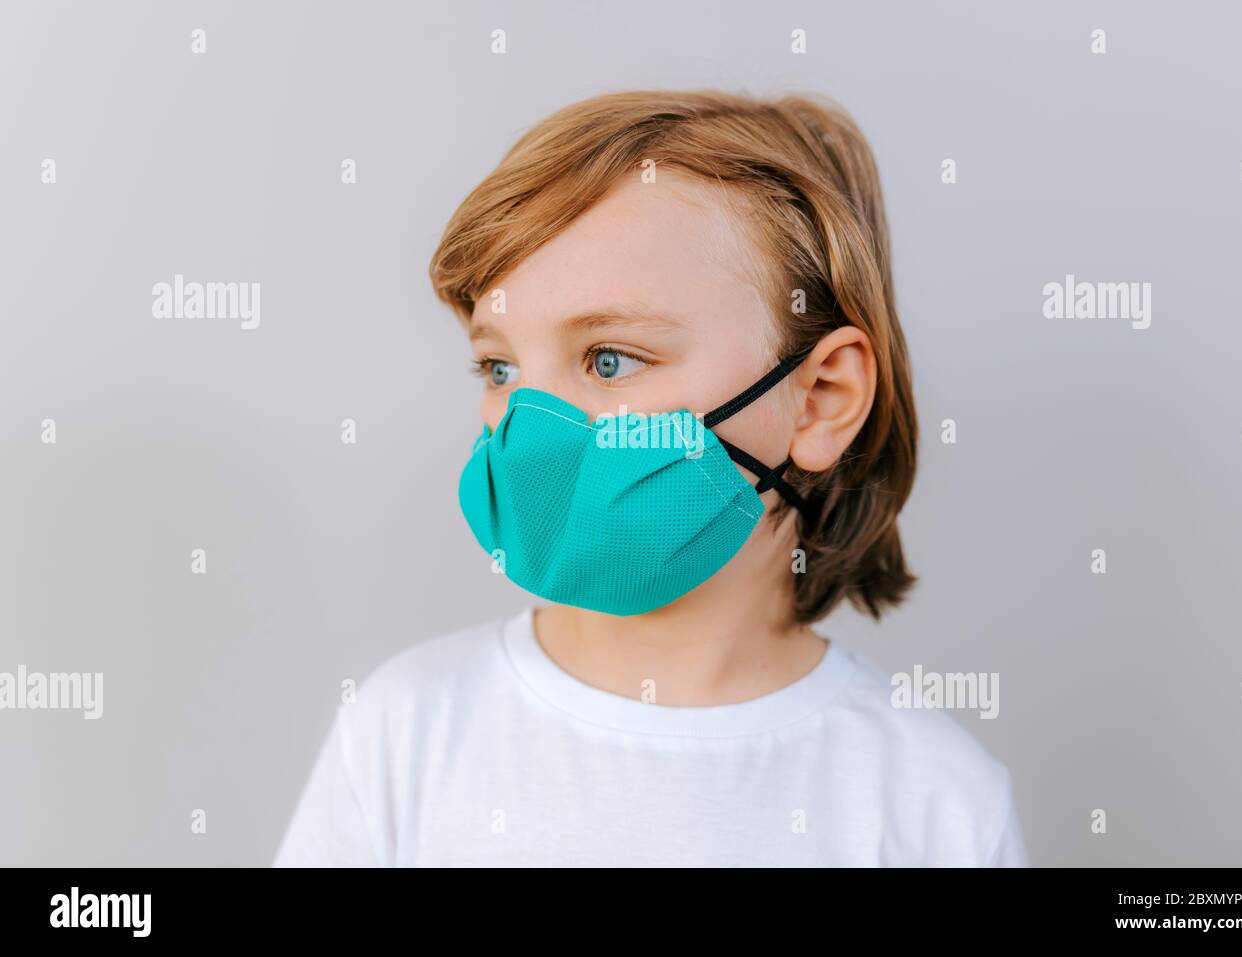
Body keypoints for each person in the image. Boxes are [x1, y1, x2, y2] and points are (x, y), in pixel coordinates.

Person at [273, 90, 1027, 866]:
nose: (531, 433)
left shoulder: (936, 803)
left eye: (610, 359)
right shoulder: (402, 735)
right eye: (499, 366)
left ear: (820, 398)